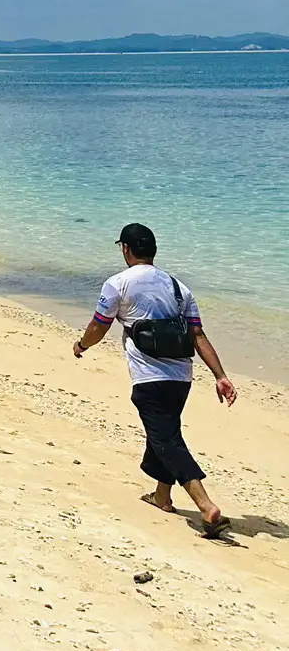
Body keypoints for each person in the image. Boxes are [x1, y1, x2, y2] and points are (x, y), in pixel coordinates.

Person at [72, 221, 236, 536]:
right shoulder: (179, 287)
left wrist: (81, 345)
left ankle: (207, 507)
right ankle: (162, 497)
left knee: (166, 440)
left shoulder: (117, 284)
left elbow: (99, 325)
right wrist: (220, 375)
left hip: (149, 378)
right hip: (182, 377)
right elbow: (198, 334)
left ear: (126, 249)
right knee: (165, 432)